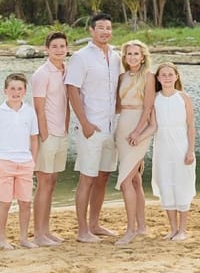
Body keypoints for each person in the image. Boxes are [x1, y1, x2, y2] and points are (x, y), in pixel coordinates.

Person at [64, 12, 121, 243]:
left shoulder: (116, 57)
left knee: (103, 176)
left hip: (111, 127)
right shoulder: (81, 57)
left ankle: (95, 224)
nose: (105, 32)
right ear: (91, 30)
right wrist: (85, 123)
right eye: (101, 28)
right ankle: (82, 230)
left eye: (108, 28)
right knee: (87, 177)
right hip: (91, 127)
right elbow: (72, 90)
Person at [0, 72, 39, 250]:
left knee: (25, 202)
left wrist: (33, 161)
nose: (16, 92)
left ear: (25, 91)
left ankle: (24, 238)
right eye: (12, 89)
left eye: (20, 89)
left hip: (25, 163)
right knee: (5, 202)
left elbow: (34, 138)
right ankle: (2, 238)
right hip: (5, 163)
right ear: (5, 90)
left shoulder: (29, 112)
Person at [114, 39, 157, 245]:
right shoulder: (121, 77)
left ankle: (130, 230)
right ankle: (141, 227)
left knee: (125, 181)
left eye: (136, 54)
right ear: (125, 57)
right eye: (129, 54)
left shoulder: (149, 77)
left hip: (137, 130)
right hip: (122, 127)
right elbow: (116, 106)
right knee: (135, 180)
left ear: (143, 57)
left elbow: (148, 107)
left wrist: (138, 132)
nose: (132, 57)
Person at [30, 31, 70, 246]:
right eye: (54, 46)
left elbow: (67, 102)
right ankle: (38, 234)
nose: (59, 50)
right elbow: (39, 109)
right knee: (43, 182)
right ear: (47, 49)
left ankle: (46, 230)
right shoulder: (41, 74)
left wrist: (65, 128)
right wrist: (44, 136)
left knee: (52, 183)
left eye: (62, 46)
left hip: (61, 134)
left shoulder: (65, 70)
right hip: (47, 136)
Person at [151, 62, 196, 241]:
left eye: (171, 74)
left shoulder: (184, 97)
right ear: (158, 78)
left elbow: (191, 125)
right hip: (162, 147)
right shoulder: (154, 98)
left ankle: (183, 229)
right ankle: (172, 228)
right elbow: (152, 125)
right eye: (163, 75)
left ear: (176, 77)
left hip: (181, 146)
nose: (167, 78)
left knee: (182, 185)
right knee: (166, 185)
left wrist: (190, 151)